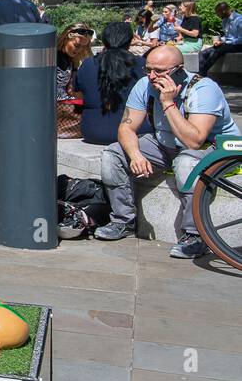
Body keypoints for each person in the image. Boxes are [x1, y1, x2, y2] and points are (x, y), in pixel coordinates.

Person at [95, 45, 239, 258]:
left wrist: (168, 102)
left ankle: (195, 234)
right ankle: (122, 221)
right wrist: (135, 154)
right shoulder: (145, 85)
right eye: (148, 69)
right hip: (166, 144)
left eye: (159, 71)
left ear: (179, 70)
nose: (152, 76)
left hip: (213, 147)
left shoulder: (204, 89)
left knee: (186, 163)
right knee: (112, 155)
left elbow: (194, 140)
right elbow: (126, 127)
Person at [74, 22, 150, 145]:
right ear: (130, 41)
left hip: (92, 131)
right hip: (136, 131)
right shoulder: (143, 64)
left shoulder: (87, 64)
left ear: (104, 41)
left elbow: (79, 96)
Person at [55, 23, 94, 138]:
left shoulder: (70, 59)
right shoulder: (52, 57)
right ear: (66, 38)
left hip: (64, 102)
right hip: (54, 105)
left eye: (83, 47)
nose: (79, 50)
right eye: (77, 45)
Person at [199, 2, 242, 78]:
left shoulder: (239, 20)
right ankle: (201, 73)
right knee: (203, 53)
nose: (218, 16)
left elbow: (240, 39)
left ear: (224, 11)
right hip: (229, 44)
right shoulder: (225, 20)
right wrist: (220, 40)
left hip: (238, 45)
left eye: (218, 13)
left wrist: (225, 42)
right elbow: (227, 36)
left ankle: (201, 74)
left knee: (216, 51)